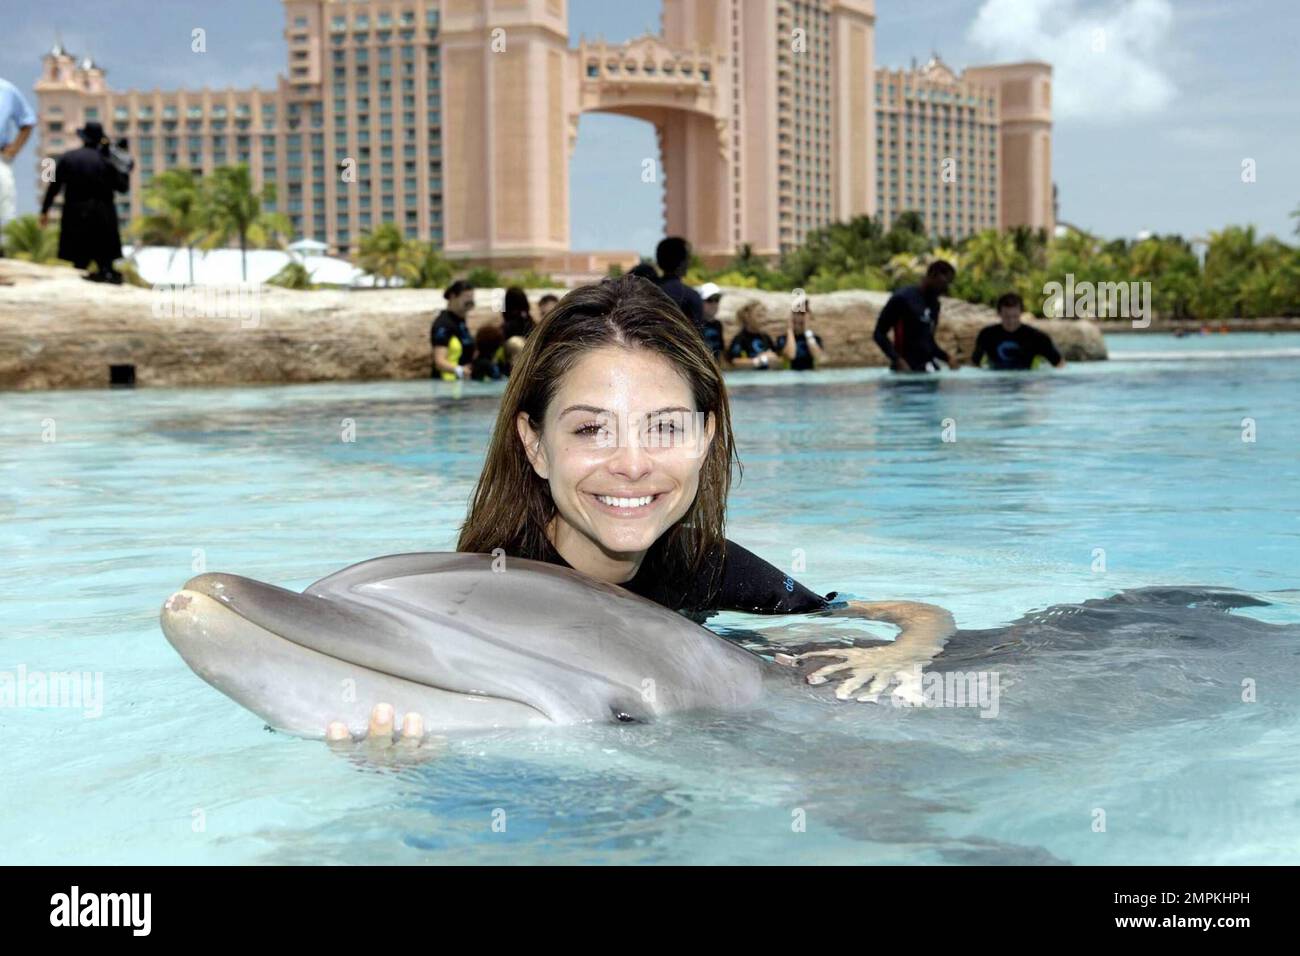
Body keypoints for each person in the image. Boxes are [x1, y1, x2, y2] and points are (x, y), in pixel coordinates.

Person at [336, 276, 957, 740]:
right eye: (590, 431)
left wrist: (906, 652)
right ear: (535, 444)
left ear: (705, 438)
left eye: (665, 428)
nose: (632, 464)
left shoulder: (699, 562)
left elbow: (908, 616)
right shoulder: (485, 595)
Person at [39, 121, 130, 283]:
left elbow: (53, 186)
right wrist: (124, 162)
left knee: (79, 266)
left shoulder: (68, 158)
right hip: (103, 218)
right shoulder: (108, 161)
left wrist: (44, 210)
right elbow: (123, 187)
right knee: (106, 266)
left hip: (76, 218)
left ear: (83, 138)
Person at [873, 260, 959, 373]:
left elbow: (928, 342)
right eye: (945, 282)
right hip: (906, 371)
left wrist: (947, 358)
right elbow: (879, 333)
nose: (946, 288)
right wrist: (898, 360)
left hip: (928, 368)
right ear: (933, 275)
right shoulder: (902, 298)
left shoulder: (935, 304)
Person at [971, 293, 1065, 370]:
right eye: (1007, 317)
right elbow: (974, 364)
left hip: (1025, 384)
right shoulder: (987, 335)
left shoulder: (1037, 337)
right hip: (996, 382)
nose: (1011, 321)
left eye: (1015, 316)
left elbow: (1059, 364)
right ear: (999, 314)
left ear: (1021, 313)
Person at [0, 76, 37, 257]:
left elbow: (28, 120)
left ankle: (4, 256)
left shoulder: (6, 89)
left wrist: (13, 150)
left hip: (1, 159)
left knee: (5, 210)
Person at [431, 279, 476, 380]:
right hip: (447, 385)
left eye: (472, 297)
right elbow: (439, 361)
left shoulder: (461, 322)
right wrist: (460, 370)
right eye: (466, 297)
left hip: (461, 384)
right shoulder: (443, 324)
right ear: (452, 296)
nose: (470, 301)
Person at [654, 236, 704, 326]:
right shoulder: (691, 297)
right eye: (688, 258)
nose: (690, 262)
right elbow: (697, 336)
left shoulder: (645, 292)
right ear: (682, 262)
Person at [726, 301, 781, 369]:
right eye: (759, 316)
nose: (763, 320)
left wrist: (774, 360)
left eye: (764, 316)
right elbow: (735, 362)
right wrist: (760, 360)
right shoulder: (740, 338)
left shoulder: (766, 338)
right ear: (747, 317)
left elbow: (777, 358)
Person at [776, 306, 827, 371]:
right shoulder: (782, 339)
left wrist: (807, 331)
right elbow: (790, 355)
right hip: (789, 375)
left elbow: (817, 357)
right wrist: (790, 330)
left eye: (802, 314)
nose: (798, 318)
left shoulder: (814, 339)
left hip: (809, 374)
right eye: (796, 314)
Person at [696, 282, 726, 361]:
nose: (714, 304)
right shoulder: (695, 324)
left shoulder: (718, 324)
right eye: (709, 300)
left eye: (717, 299)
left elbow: (720, 352)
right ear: (700, 302)